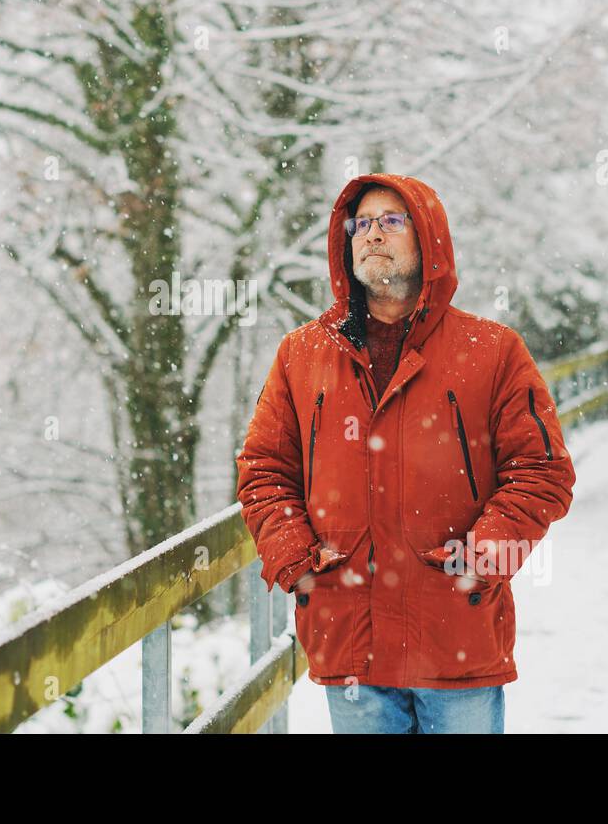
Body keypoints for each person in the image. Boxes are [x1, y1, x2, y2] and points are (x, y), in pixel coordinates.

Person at [235, 173, 577, 734]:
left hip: (456, 634)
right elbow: (263, 468)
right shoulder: (303, 354)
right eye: (361, 224)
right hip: (348, 637)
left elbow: (542, 470)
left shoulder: (492, 351)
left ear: (429, 241)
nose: (373, 234)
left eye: (392, 222)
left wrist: (484, 556)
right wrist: (295, 561)